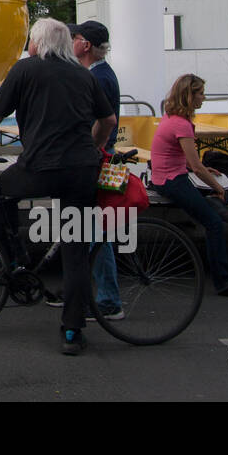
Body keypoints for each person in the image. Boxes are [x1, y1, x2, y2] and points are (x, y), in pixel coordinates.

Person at [0, 18, 116, 355]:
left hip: (39, 168)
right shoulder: (84, 75)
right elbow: (109, 121)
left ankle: (14, 261)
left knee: (4, 189)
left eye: (30, 40)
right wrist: (93, 148)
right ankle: (72, 332)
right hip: (80, 172)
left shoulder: (25, 69)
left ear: (39, 43)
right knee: (76, 251)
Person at [150, 74, 228, 299]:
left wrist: (206, 172)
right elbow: (197, 167)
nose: (204, 98)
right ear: (189, 95)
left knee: (215, 191)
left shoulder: (171, 117)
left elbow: (188, 161)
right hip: (172, 180)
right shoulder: (181, 124)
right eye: (200, 93)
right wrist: (217, 186)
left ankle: (213, 202)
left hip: (166, 176)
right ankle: (224, 282)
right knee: (214, 223)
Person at [70, 20, 123, 320]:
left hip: (102, 157)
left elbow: (103, 122)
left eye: (75, 37)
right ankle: (80, 290)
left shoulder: (98, 78)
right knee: (91, 228)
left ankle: (109, 301)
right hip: (106, 156)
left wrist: (87, 152)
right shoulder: (101, 73)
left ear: (86, 45)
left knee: (96, 231)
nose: (71, 42)